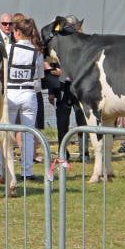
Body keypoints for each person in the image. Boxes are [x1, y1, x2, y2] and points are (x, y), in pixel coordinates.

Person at [0, 17, 44, 180]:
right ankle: (27, 171)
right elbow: (39, 77)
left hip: (10, 93)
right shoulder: (37, 53)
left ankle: (1, 170)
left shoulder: (8, 49)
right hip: (29, 93)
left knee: (4, 132)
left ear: (17, 32)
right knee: (28, 134)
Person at [54, 16, 89, 162]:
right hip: (63, 86)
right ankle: (63, 152)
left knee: (82, 120)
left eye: (70, 26)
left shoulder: (84, 42)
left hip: (79, 86)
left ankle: (84, 152)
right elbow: (52, 62)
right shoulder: (59, 42)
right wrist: (51, 91)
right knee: (62, 122)